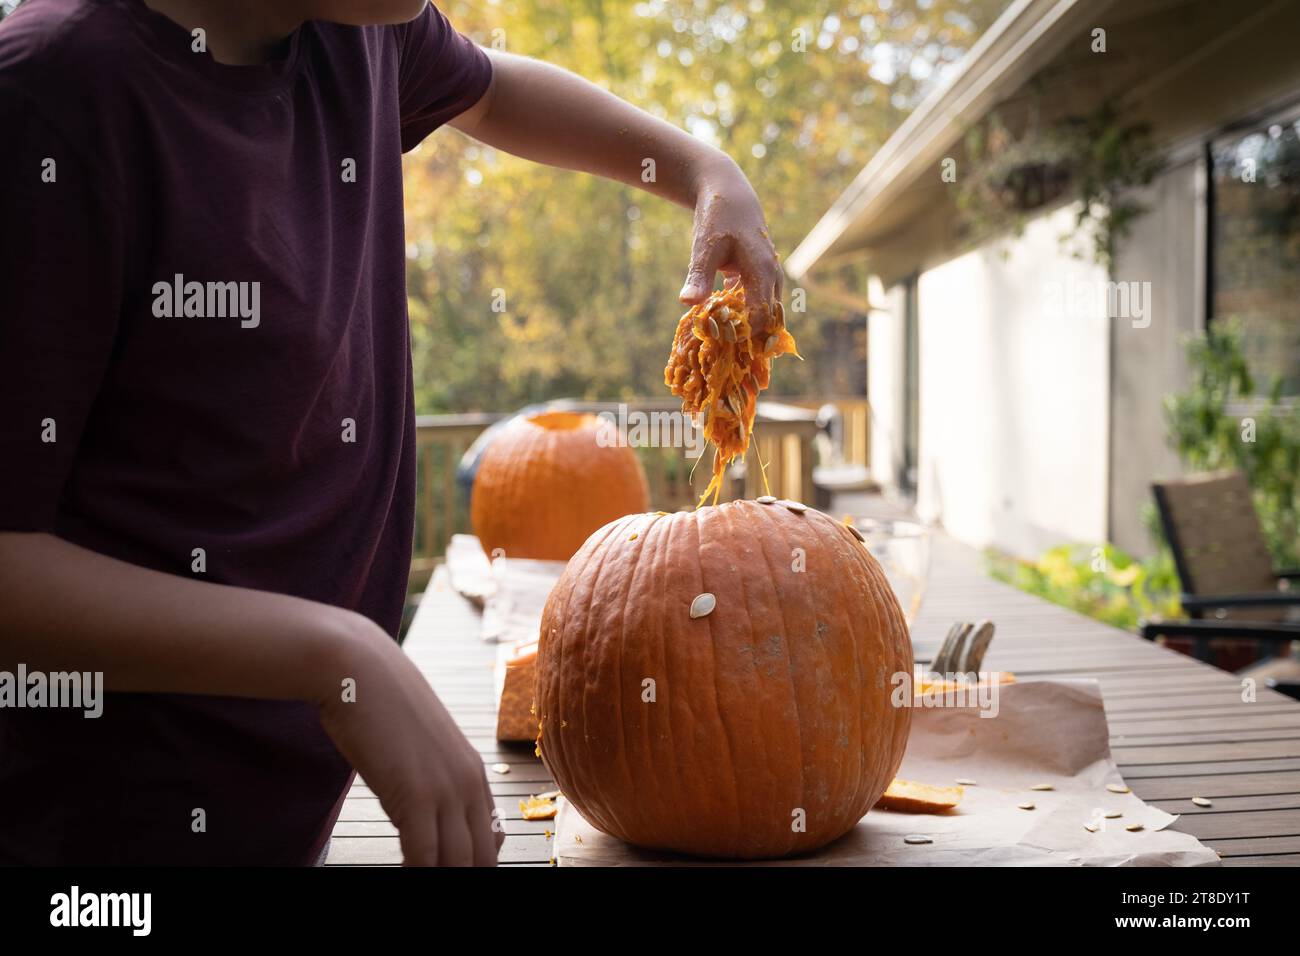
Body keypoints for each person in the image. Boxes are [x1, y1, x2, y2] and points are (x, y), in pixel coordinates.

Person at [0, 0, 781, 865]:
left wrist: (704, 169)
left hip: (288, 812)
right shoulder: (47, 93)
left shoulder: (363, 24)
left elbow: (491, 91)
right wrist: (334, 655)